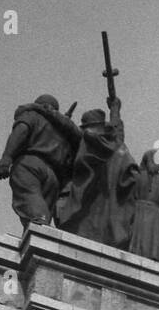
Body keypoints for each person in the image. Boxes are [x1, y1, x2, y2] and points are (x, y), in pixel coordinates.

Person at [56, 100, 140, 248]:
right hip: (108, 201)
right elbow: (117, 132)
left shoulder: (84, 141)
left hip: (83, 198)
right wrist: (115, 110)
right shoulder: (114, 144)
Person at [0, 94, 81, 227]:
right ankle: (38, 232)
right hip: (53, 177)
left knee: (31, 201)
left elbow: (21, 132)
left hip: (29, 164)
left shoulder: (33, 115)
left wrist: (6, 157)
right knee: (41, 215)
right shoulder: (65, 130)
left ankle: (39, 222)